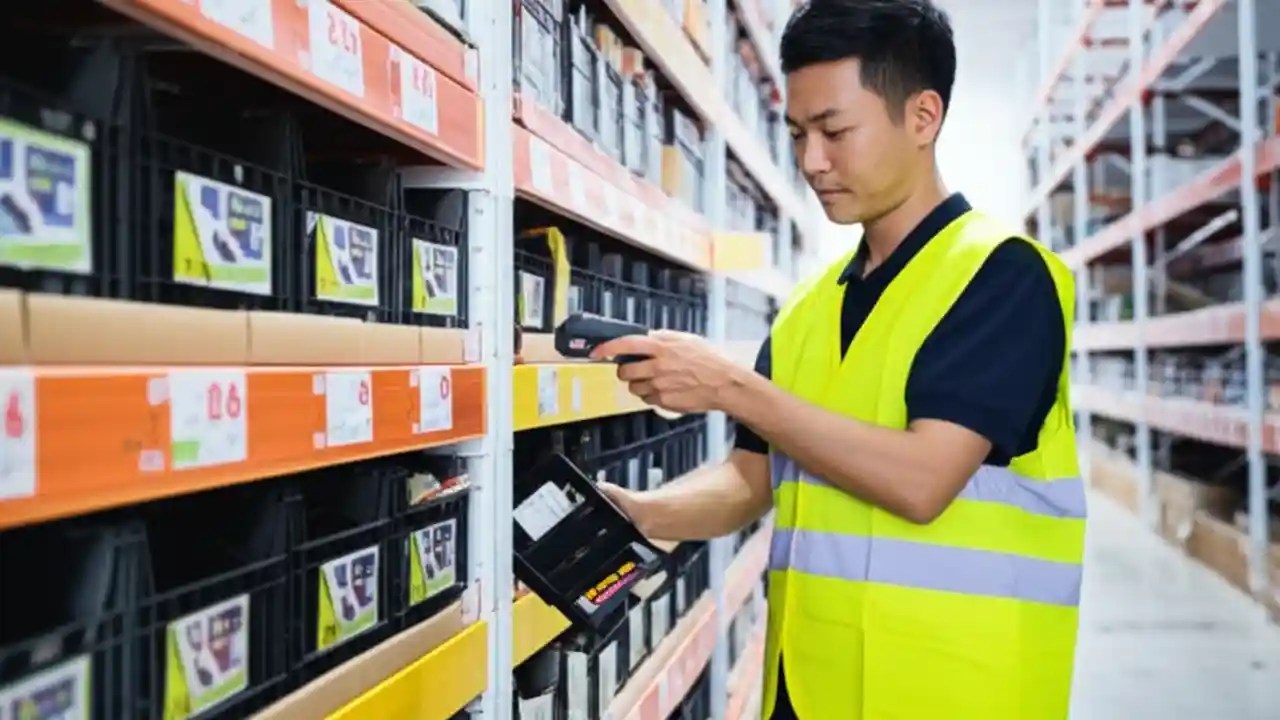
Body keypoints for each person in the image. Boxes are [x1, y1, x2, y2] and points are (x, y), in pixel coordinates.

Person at [590, 1, 1086, 718]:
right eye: (797, 133)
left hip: (949, 694)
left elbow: (924, 481)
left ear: (923, 117)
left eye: (834, 131)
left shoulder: (1002, 277)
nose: (810, 162)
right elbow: (751, 480)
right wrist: (642, 513)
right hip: (809, 688)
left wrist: (732, 387)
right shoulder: (807, 310)